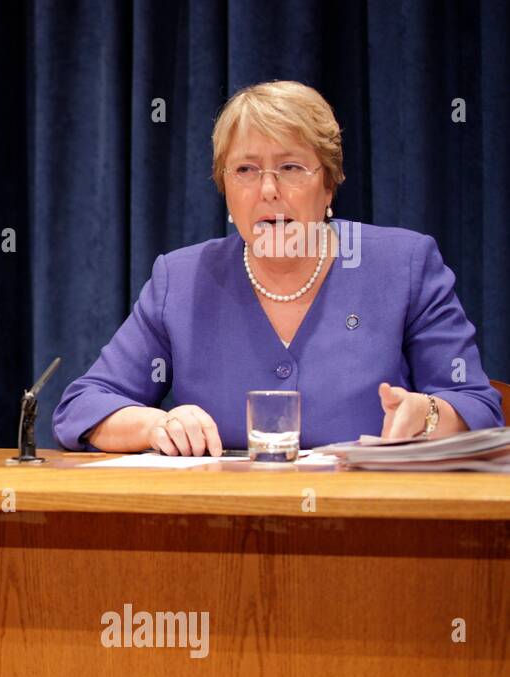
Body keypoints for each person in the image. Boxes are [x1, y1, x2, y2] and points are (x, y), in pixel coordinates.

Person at [53, 80, 503, 455]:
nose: (268, 189)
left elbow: (476, 405)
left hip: (370, 525)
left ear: (328, 185)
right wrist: (156, 424)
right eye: (245, 170)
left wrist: (426, 415)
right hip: (224, 535)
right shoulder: (181, 279)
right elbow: (84, 406)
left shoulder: (403, 264)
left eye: (291, 167)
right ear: (224, 187)